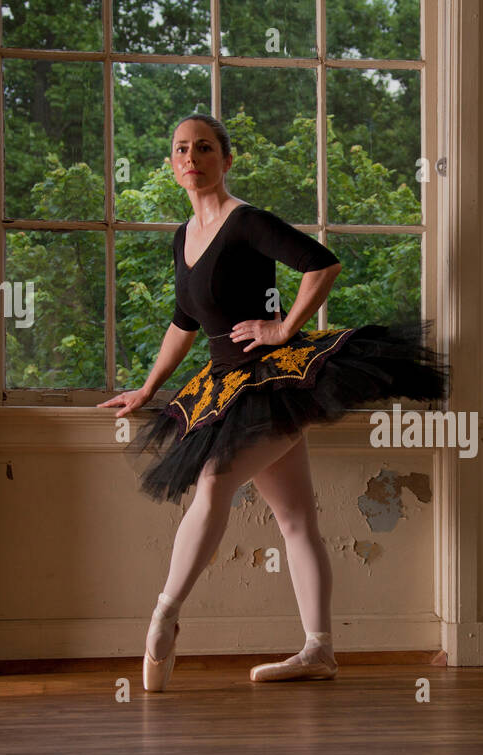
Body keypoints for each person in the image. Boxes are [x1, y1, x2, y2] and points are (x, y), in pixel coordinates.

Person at [98, 113, 449, 693]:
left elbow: (322, 264)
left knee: (215, 483)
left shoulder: (246, 222)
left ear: (225, 160)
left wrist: (283, 328)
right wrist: (149, 388)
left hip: (271, 380)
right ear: (171, 163)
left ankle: (164, 615)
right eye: (182, 149)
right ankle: (320, 651)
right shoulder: (182, 237)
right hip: (224, 383)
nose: (192, 157)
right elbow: (183, 322)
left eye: (205, 148)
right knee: (295, 518)